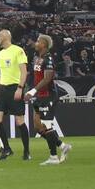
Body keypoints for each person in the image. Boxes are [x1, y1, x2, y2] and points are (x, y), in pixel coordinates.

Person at [25, 34, 71, 165]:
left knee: (47, 125)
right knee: (38, 126)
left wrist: (33, 91)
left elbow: (48, 78)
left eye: (38, 41)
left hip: (48, 95)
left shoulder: (49, 58)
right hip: (39, 96)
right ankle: (62, 146)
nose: (36, 43)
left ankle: (53, 157)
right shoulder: (37, 58)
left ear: (44, 44)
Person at [0, 29, 30, 162]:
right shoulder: (1, 53)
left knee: (19, 121)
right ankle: (7, 148)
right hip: (3, 90)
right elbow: (2, 72)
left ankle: (26, 151)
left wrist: (20, 88)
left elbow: (24, 72)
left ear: (5, 37)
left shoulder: (18, 50)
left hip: (15, 88)